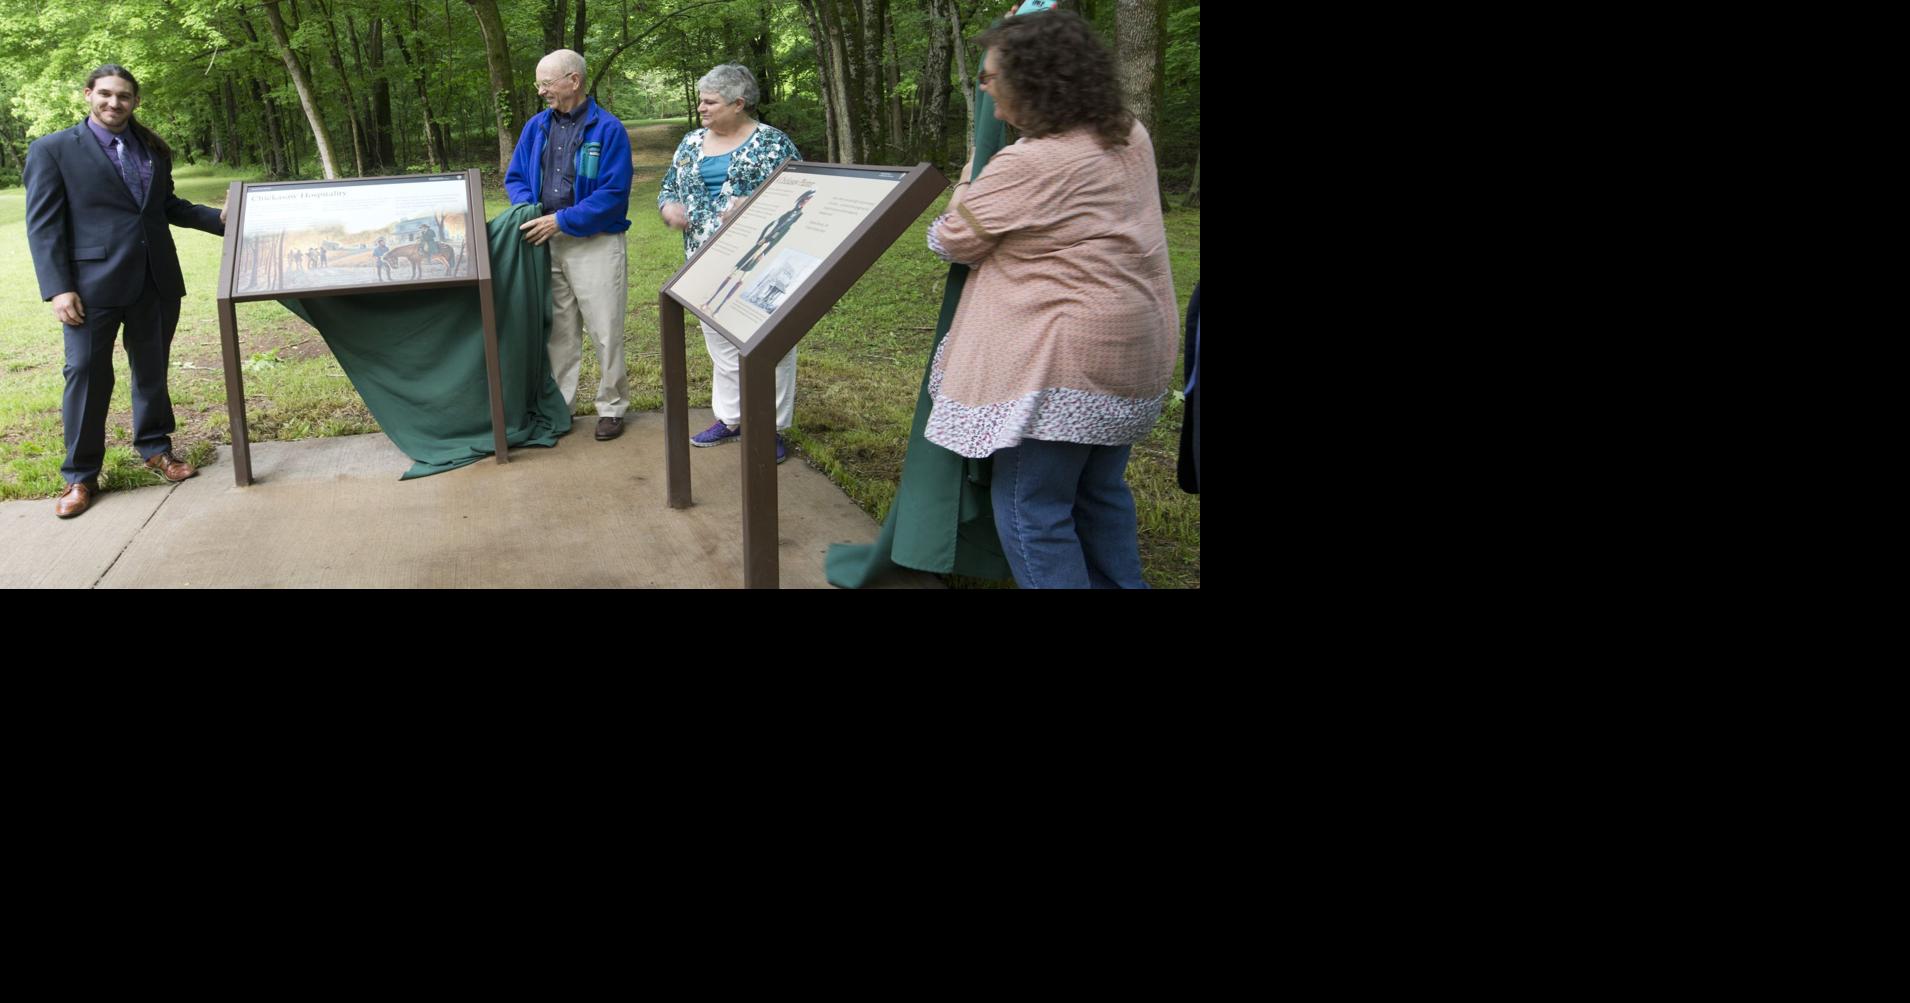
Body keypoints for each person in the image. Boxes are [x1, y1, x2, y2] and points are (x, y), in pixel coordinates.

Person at [921, 11, 1177, 588]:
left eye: (990, 78)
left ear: (1033, 82)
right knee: (1100, 493)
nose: (984, 88)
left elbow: (951, 240)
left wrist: (968, 179)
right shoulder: (1126, 131)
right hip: (1130, 343)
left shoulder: (1033, 162)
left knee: (1032, 510)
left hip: (1059, 360)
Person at [24, 64, 225, 518]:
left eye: (125, 96)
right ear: (88, 94)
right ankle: (79, 476)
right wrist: (59, 289)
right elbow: (44, 227)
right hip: (90, 289)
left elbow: (166, 206)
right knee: (86, 376)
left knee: (152, 370)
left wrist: (221, 220)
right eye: (106, 94)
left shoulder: (152, 147)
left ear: (135, 101)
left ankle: (156, 449)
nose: (114, 103)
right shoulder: (53, 150)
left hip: (156, 280)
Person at [658, 63, 802, 464]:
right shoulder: (690, 143)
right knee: (720, 343)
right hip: (703, 261)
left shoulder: (772, 143)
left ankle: (769, 426)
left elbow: (801, 194)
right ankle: (733, 418)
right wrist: (669, 205)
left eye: (709, 102)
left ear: (739, 104)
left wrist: (756, 206)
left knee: (769, 342)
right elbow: (670, 184)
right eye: (700, 100)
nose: (700, 108)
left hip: (761, 261)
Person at [504, 48, 633, 442]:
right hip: (548, 244)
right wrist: (528, 209)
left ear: (573, 81)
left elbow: (613, 193)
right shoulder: (535, 127)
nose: (542, 91)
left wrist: (562, 220)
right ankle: (560, 406)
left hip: (595, 243)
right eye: (539, 84)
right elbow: (515, 178)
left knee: (605, 328)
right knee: (559, 331)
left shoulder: (608, 129)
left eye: (547, 83)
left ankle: (612, 407)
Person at [702, 188, 815, 315]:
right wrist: (762, 239)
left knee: (743, 277)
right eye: (805, 199)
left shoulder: (798, 216)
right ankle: (709, 301)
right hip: (761, 243)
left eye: (808, 200)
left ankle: (719, 309)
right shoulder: (789, 212)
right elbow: (771, 225)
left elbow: (781, 234)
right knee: (734, 271)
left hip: (766, 247)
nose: (805, 202)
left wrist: (765, 252)